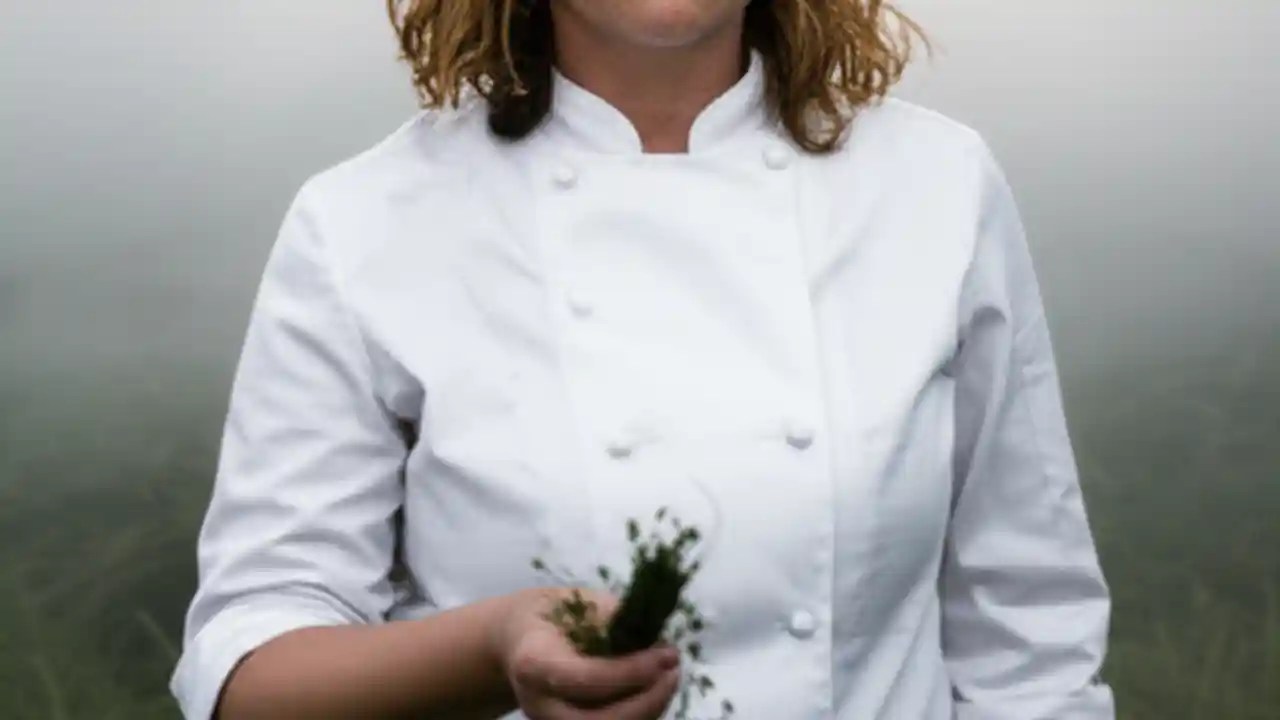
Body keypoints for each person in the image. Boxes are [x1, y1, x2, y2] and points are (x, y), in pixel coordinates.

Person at [171, 0, 1116, 718]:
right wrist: (495, 643)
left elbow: (1031, 627)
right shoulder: (364, 222)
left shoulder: (937, 184)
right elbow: (253, 665)